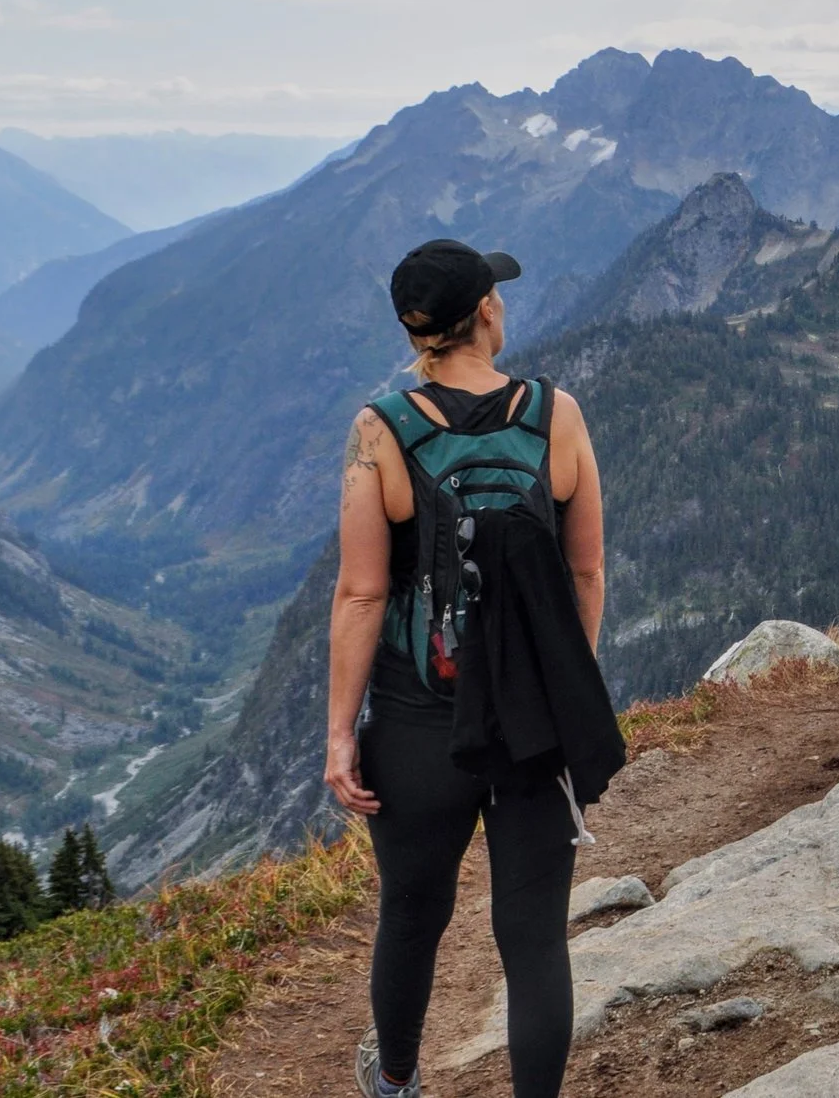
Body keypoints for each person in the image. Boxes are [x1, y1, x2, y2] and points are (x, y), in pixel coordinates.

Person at [325, 239, 624, 1098]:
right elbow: (588, 570)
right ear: (487, 313)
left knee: (412, 911)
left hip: (421, 716)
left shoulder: (380, 430)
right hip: (533, 718)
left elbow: (359, 594)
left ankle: (395, 1080)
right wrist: (562, 686)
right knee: (532, 938)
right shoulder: (554, 414)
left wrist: (343, 735)